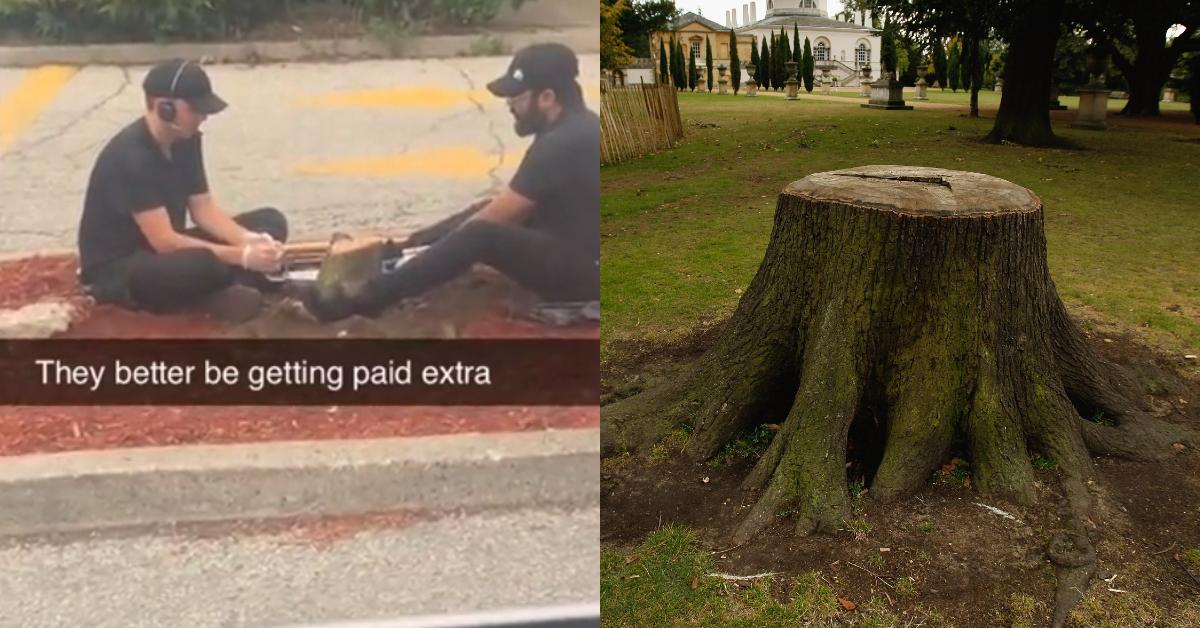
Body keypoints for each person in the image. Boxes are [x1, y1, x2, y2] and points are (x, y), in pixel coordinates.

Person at [303, 43, 600, 322]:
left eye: (516, 96)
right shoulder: (577, 127)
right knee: (490, 215)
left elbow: (491, 220)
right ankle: (402, 252)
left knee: (481, 235)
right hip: (586, 252)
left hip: (591, 276)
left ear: (547, 98)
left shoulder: (563, 142)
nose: (509, 104)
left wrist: (425, 256)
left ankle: (367, 300)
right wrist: (417, 242)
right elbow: (505, 205)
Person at [77, 58, 288, 322]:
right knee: (203, 264)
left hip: (166, 252)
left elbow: (204, 209)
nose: (203, 117)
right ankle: (223, 289)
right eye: (196, 109)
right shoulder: (131, 157)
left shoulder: (186, 140)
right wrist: (241, 257)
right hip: (122, 267)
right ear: (164, 108)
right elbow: (164, 242)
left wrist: (248, 240)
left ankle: (230, 283)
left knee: (269, 222)